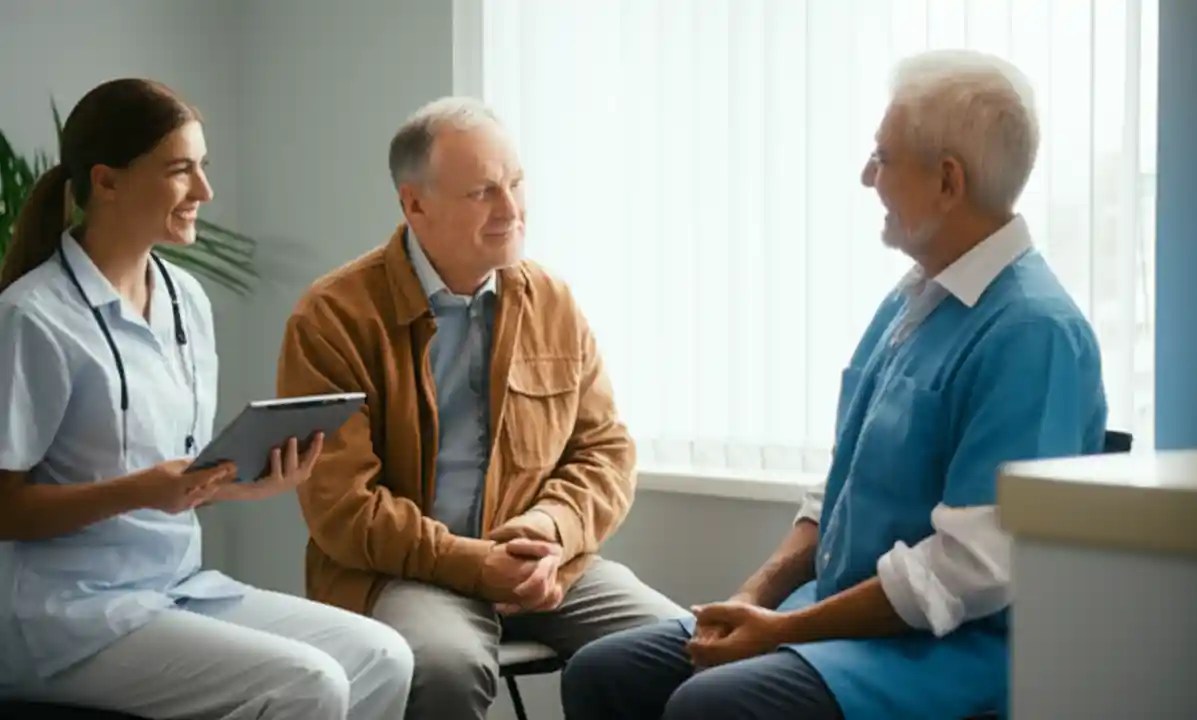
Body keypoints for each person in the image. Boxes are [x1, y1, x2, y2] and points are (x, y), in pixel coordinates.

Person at [560, 49, 1108, 720]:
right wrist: (759, 595)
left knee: (711, 707)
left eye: (882, 159)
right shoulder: (915, 299)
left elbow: (971, 572)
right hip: (832, 624)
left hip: (950, 654)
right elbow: (843, 482)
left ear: (947, 181)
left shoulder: (1034, 333)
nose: (865, 175)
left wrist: (785, 632)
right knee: (606, 673)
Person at [0, 79, 412, 720]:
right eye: (180, 170)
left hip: (175, 588)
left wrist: (239, 482)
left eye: (203, 167)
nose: (204, 192)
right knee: (310, 684)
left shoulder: (185, 298)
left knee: (384, 655)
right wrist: (141, 491)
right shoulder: (33, 317)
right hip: (66, 617)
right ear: (106, 182)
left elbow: (174, 477)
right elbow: (5, 509)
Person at [276, 96, 682, 720]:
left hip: (545, 566)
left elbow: (606, 451)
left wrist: (550, 529)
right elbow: (342, 506)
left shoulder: (553, 302)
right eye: (483, 193)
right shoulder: (333, 317)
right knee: (445, 666)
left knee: (679, 647)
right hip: (404, 575)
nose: (512, 210)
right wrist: (473, 564)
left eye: (516, 183)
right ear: (415, 205)